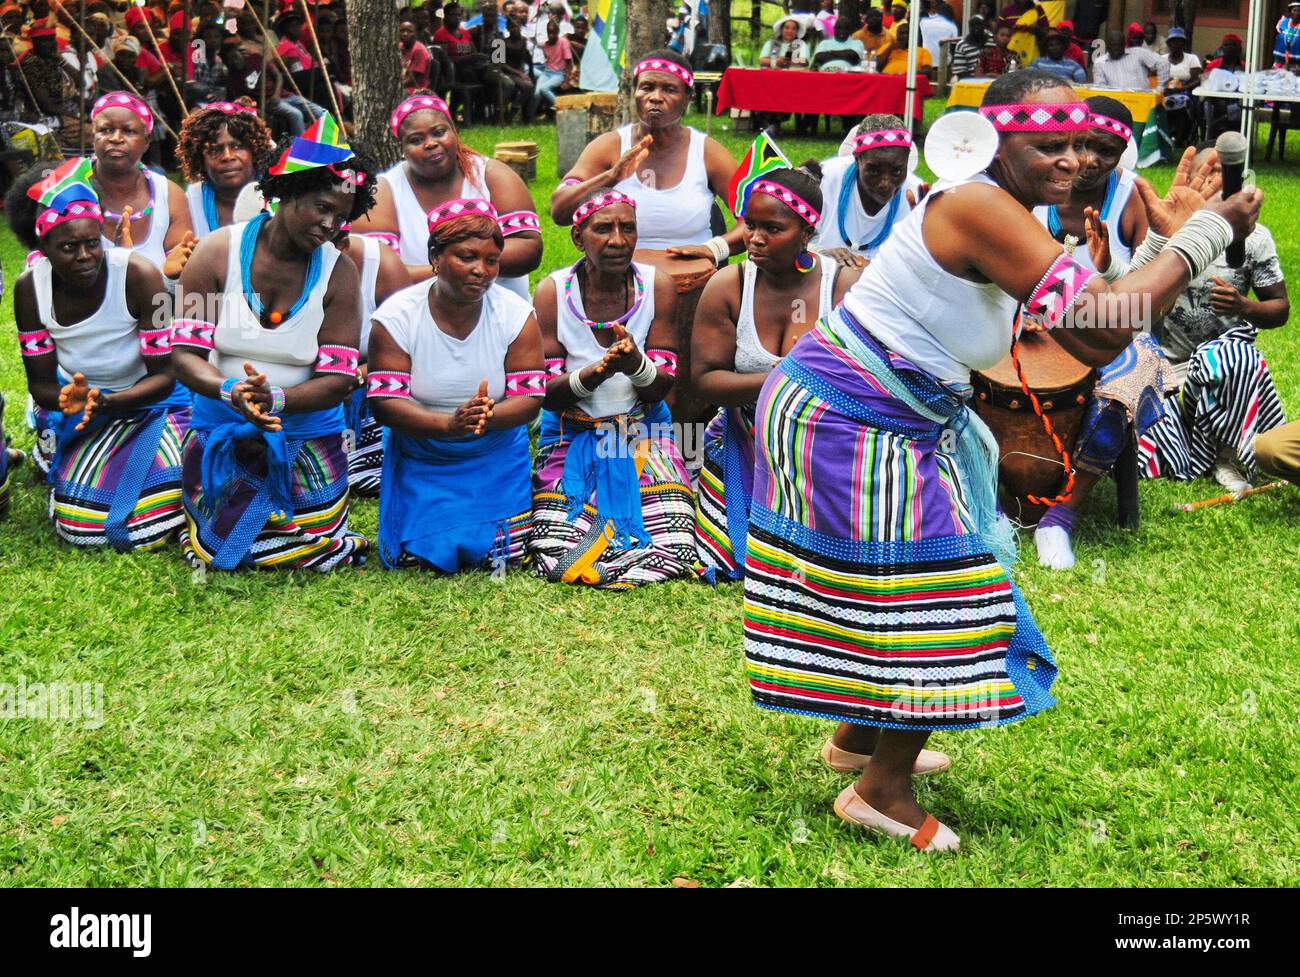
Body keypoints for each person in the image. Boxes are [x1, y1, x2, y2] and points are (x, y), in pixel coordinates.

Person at [742, 69, 1260, 850]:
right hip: (852, 415)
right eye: (1049, 143)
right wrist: (1206, 234)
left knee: (899, 585)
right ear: (992, 138)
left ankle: (858, 737)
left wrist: (1159, 240)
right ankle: (880, 790)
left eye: (1083, 143)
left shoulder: (1009, 208)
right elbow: (1109, 316)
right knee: (944, 596)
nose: (1074, 158)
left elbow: (1094, 339)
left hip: (868, 412)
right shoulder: (978, 204)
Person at [170, 116, 375, 571]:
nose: (329, 224)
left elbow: (340, 378)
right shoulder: (216, 252)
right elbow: (183, 354)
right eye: (321, 207)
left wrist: (277, 398)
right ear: (284, 192)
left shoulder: (340, 272)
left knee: (303, 538)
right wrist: (231, 392)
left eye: (341, 216)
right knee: (228, 544)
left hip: (306, 436)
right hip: (221, 430)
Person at [6, 158, 190, 550]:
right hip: (83, 410)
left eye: (92, 243)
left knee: (164, 492)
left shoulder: (142, 275)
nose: (85, 255)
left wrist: (108, 401)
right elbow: (40, 383)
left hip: (154, 403)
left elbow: (167, 374)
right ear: (44, 248)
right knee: (81, 524)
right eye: (69, 247)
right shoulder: (29, 289)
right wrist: (65, 400)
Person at [1029, 97, 1174, 570]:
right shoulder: (1038, 184)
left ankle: (1060, 517)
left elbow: (1145, 301)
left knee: (1126, 383)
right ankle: (987, 502)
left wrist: (1111, 266)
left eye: (1106, 151)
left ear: (1122, 153)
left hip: (1109, 327)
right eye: (1083, 144)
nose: (1090, 160)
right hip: (1029, 325)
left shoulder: (1129, 195)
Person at [692, 168, 857, 581]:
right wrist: (784, 378)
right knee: (724, 554)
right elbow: (707, 380)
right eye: (750, 225)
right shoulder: (729, 285)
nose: (755, 238)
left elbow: (862, 382)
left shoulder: (843, 286)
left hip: (829, 441)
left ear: (807, 232)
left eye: (772, 228)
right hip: (746, 437)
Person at [529, 189, 697, 588]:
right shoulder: (553, 292)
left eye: (628, 228)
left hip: (643, 435)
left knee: (675, 545)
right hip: (573, 435)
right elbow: (546, 395)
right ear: (578, 237)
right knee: (553, 546)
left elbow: (663, 390)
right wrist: (598, 372)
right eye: (603, 229)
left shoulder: (657, 286)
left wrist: (635, 365)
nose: (618, 240)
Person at [367, 199, 543, 571]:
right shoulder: (396, 317)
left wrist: (481, 419)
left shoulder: (515, 315)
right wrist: (448, 425)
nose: (481, 271)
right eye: (466, 257)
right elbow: (384, 403)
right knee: (418, 555)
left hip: (494, 452)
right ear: (435, 255)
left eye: (492, 261)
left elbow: (530, 398)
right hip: (425, 453)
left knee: (504, 553)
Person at [1139, 146, 1290, 494]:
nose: (1220, 179)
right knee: (1163, 465)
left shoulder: (1255, 238)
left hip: (1226, 366)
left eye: (1230, 172)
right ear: (1192, 179)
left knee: (1227, 358)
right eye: (1210, 171)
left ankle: (1223, 454)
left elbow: (1279, 308)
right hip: (1166, 366)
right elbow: (1131, 302)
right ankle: (1189, 434)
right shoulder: (1167, 228)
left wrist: (1243, 306)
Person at [552, 50, 742, 260]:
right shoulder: (608, 147)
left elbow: (755, 221)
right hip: (620, 281)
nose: (656, 97)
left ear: (688, 98)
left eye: (669, 89)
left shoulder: (708, 153)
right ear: (635, 93)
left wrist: (713, 249)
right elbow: (560, 211)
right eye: (647, 87)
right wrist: (611, 177)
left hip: (694, 282)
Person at [351, 93, 541, 297]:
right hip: (420, 317)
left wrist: (453, 268)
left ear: (454, 132)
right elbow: (380, 272)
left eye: (439, 132)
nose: (430, 143)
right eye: (416, 140)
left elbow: (529, 249)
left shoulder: (492, 175)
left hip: (503, 315)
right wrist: (452, 271)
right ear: (402, 149)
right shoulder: (384, 192)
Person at [337, 224, 412, 497]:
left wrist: (356, 375)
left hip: (367, 385)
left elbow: (411, 350)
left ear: (341, 245)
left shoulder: (381, 266)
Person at [89, 92, 195, 277]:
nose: (116, 138)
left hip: (156, 303)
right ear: (93, 136)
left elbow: (180, 266)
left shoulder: (169, 195)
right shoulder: (71, 189)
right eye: (105, 130)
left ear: (146, 141)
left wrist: (172, 272)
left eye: (128, 131)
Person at [812, 114, 926, 267]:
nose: (885, 183)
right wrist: (819, 253)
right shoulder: (824, 180)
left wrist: (925, 235)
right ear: (857, 160)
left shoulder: (917, 197)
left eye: (897, 172)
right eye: (874, 172)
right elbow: (788, 238)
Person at [176, 99, 272, 240]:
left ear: (255, 151)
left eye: (237, 146)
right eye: (215, 150)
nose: (227, 156)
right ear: (200, 160)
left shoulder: (278, 198)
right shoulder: (189, 204)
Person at [1163, 27, 1201, 148]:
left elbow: (1197, 79)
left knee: (1182, 104)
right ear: (1168, 43)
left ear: (1184, 43)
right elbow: (1154, 78)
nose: (1176, 44)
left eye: (1180, 41)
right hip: (1165, 92)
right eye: (1173, 41)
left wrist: (1182, 88)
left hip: (1185, 91)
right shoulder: (1161, 59)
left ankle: (1178, 139)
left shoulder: (1192, 59)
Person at [1092, 28, 1167, 90]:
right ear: (1107, 45)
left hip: (1141, 100)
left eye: (1119, 45)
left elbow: (1163, 63)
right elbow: (1100, 88)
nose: (1116, 48)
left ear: (1124, 45)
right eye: (1113, 45)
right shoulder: (1100, 63)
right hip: (1115, 103)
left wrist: (1160, 88)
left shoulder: (1138, 53)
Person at [531, 16, 572, 116]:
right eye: (549, 32)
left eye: (554, 32)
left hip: (559, 74)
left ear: (558, 32)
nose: (551, 35)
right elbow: (548, 58)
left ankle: (562, 111)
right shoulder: (546, 44)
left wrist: (566, 80)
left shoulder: (563, 42)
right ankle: (531, 116)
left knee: (544, 89)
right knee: (536, 93)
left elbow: (569, 63)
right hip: (547, 72)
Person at [400, 13, 434, 92]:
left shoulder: (419, 50)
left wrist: (395, 87)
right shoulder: (400, 47)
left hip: (414, 91)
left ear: (415, 33)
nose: (405, 34)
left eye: (409, 31)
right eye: (402, 31)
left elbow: (411, 81)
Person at [920, 1, 958, 66]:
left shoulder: (923, 22)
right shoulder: (953, 26)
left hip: (930, 62)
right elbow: (953, 48)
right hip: (940, 62)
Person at [948, 15, 986, 79]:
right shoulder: (962, 45)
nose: (976, 28)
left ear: (984, 26)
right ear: (969, 27)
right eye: (973, 25)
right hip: (971, 80)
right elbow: (959, 72)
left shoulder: (991, 40)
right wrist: (975, 73)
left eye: (979, 24)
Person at [1276, 3, 1300, 70]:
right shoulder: (1284, 23)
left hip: (1297, 63)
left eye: (1299, 11)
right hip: (1281, 61)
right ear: (1290, 12)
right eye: (1294, 10)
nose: (1297, 13)